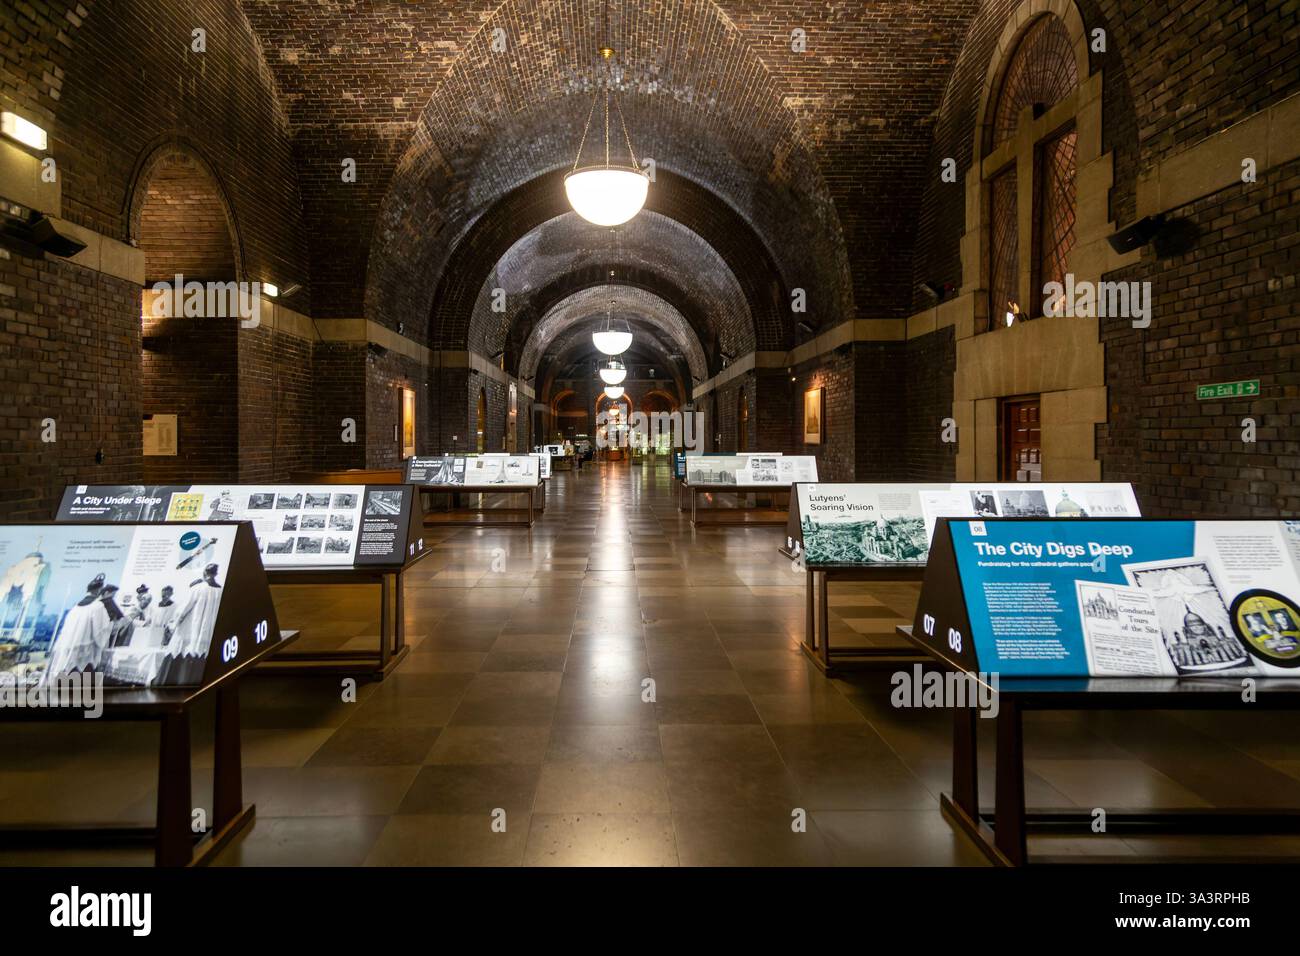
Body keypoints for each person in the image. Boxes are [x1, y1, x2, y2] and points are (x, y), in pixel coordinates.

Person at [42, 574, 112, 683]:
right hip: (85, 652)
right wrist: (111, 626)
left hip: (68, 649)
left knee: (67, 683)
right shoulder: (97, 606)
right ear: (99, 591)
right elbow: (100, 632)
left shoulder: (75, 608)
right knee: (83, 687)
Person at [169, 564, 223, 658]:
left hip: (190, 633)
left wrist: (173, 625)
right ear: (216, 573)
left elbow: (183, 609)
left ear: (205, 572)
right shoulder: (221, 591)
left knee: (185, 654)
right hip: (209, 636)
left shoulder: (198, 588)